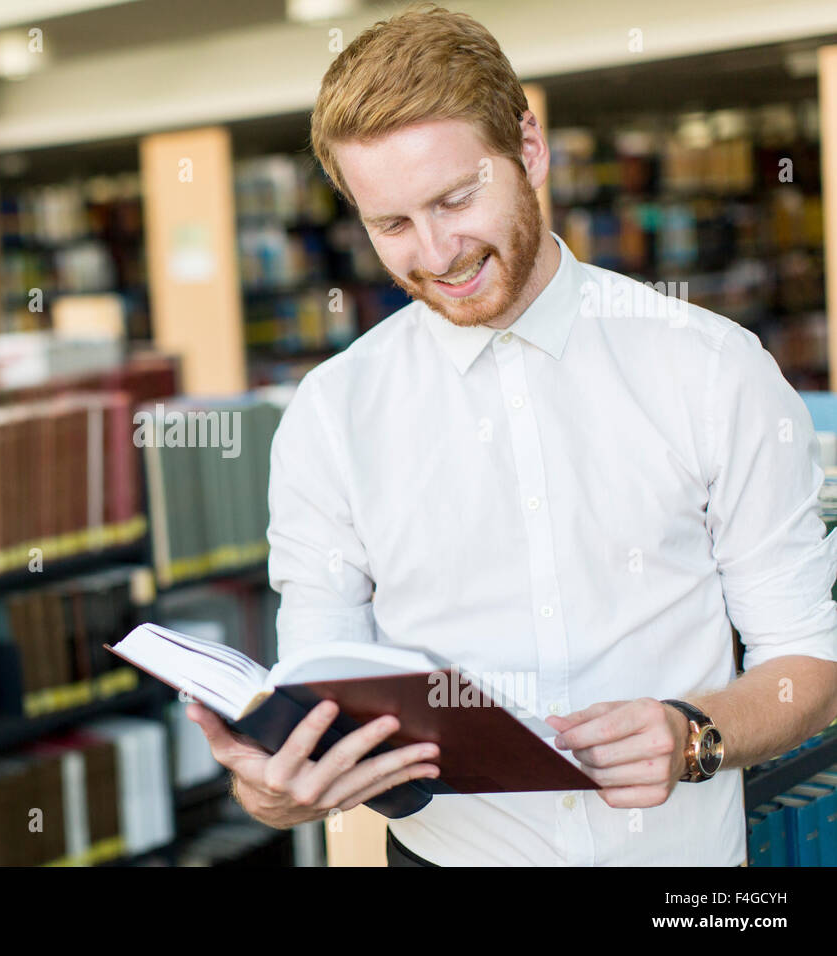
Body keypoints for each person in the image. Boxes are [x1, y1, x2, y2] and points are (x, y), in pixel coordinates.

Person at [188, 2, 837, 866]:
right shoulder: (331, 415)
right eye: (392, 225)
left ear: (528, 150)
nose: (436, 252)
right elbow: (320, 692)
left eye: (457, 198)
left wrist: (695, 735)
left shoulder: (712, 367)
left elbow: (807, 665)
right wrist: (272, 789)